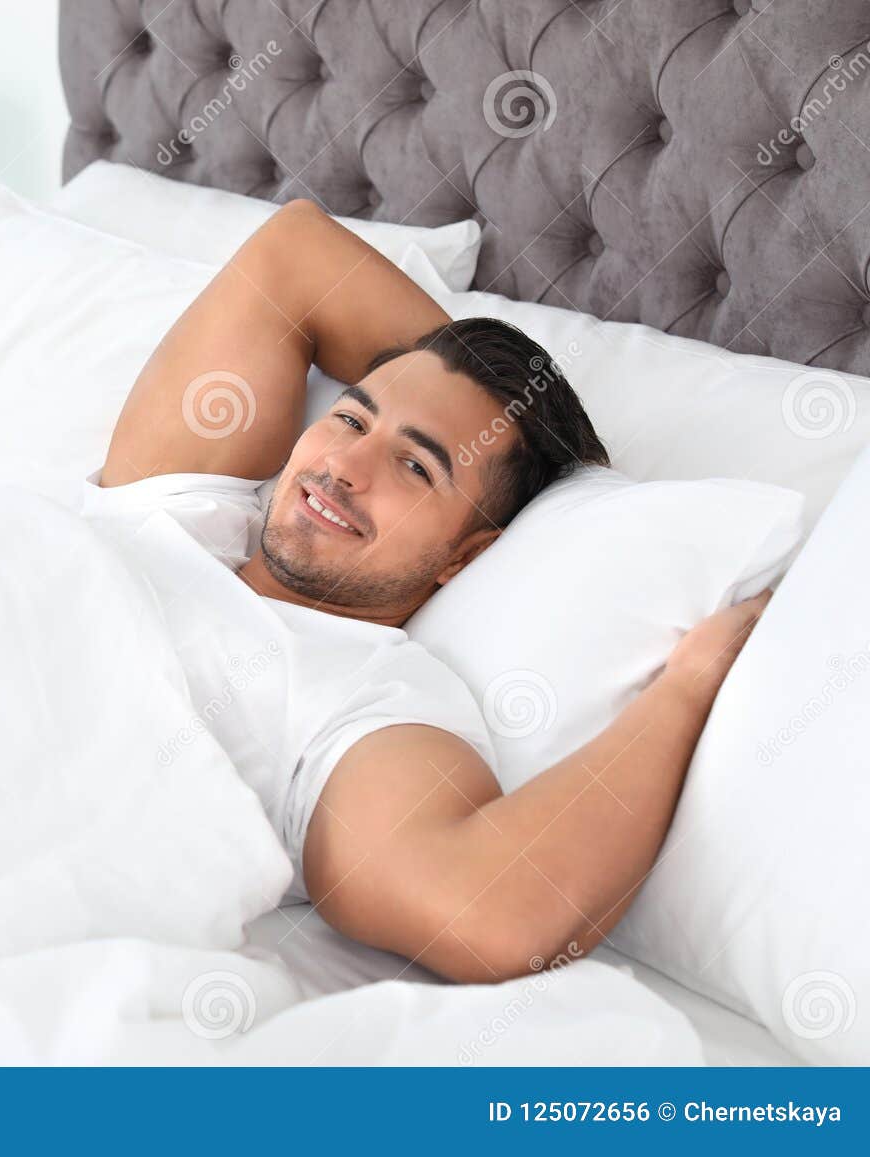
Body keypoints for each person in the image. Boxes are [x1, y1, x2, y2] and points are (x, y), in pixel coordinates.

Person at [87, 200, 769, 982]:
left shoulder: (360, 699)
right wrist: (472, 381)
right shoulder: (181, 507)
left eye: (416, 466)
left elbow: (494, 912)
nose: (345, 467)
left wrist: (688, 685)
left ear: (467, 555)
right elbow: (294, 254)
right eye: (350, 418)